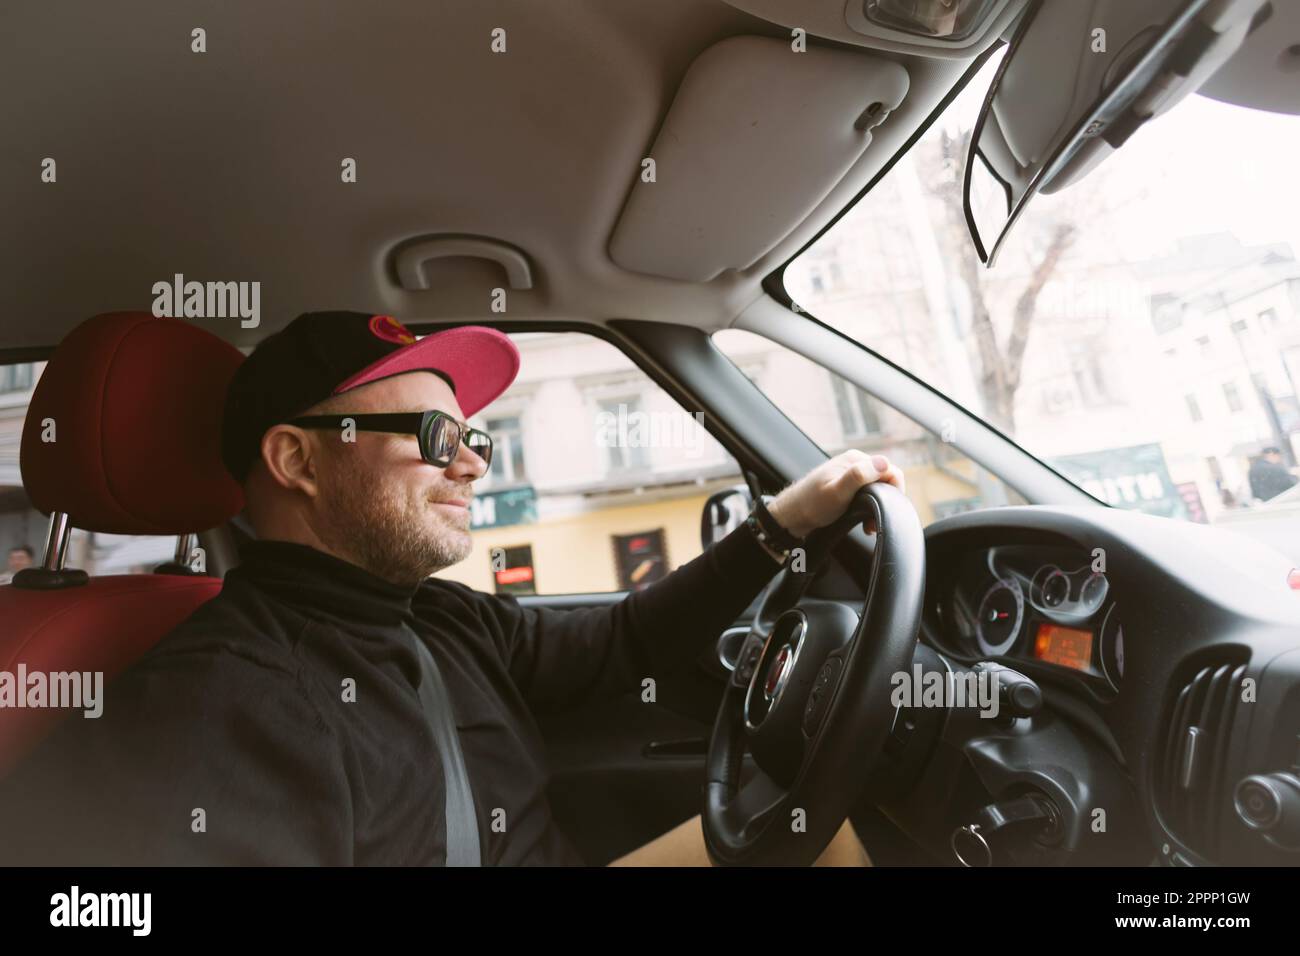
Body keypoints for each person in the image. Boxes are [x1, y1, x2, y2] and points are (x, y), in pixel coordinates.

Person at [0, 311, 906, 866]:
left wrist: (784, 522)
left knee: (815, 832)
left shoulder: (435, 616)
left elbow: (629, 645)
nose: (473, 461)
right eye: (437, 435)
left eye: (472, 434)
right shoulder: (220, 702)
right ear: (297, 460)